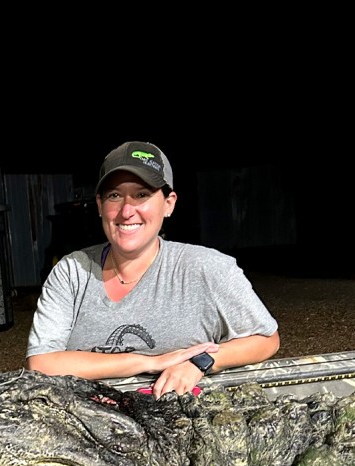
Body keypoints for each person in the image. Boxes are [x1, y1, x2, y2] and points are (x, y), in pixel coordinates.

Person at [25, 140, 280, 397]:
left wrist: (199, 362)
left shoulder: (207, 267)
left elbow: (266, 339)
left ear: (168, 203)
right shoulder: (72, 272)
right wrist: (150, 362)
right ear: (100, 205)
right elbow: (42, 363)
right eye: (115, 195)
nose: (126, 211)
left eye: (142, 195)